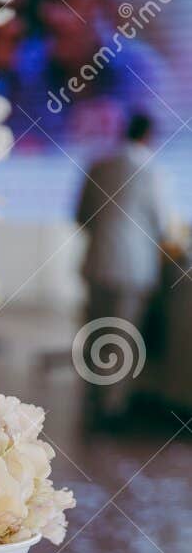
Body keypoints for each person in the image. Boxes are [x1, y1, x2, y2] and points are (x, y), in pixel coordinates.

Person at [75, 113, 172, 424]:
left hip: (97, 261)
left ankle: (91, 400)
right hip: (134, 267)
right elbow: (161, 223)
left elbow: (80, 214)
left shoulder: (98, 163)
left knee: (95, 335)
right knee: (123, 338)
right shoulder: (151, 169)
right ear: (148, 136)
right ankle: (112, 408)